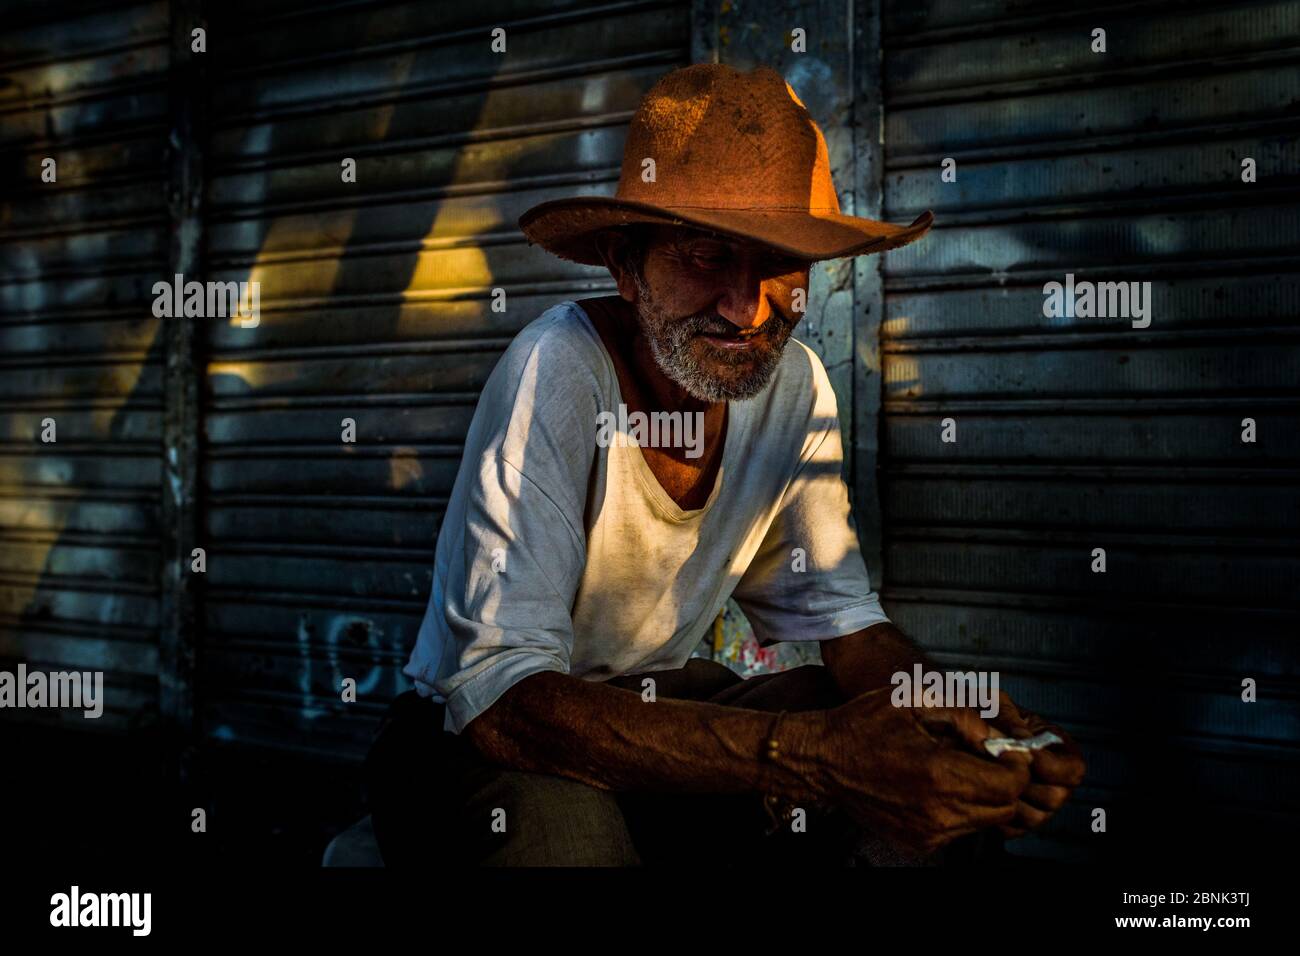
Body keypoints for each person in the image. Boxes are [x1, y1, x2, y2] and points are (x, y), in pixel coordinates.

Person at [364, 63, 1085, 866]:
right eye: (707, 256)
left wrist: (969, 721)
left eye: (780, 263)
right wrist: (809, 754)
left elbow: (845, 627)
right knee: (564, 839)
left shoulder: (797, 389)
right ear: (625, 266)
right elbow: (504, 702)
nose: (748, 309)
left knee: (902, 734)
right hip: (481, 731)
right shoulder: (557, 372)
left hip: (651, 710)